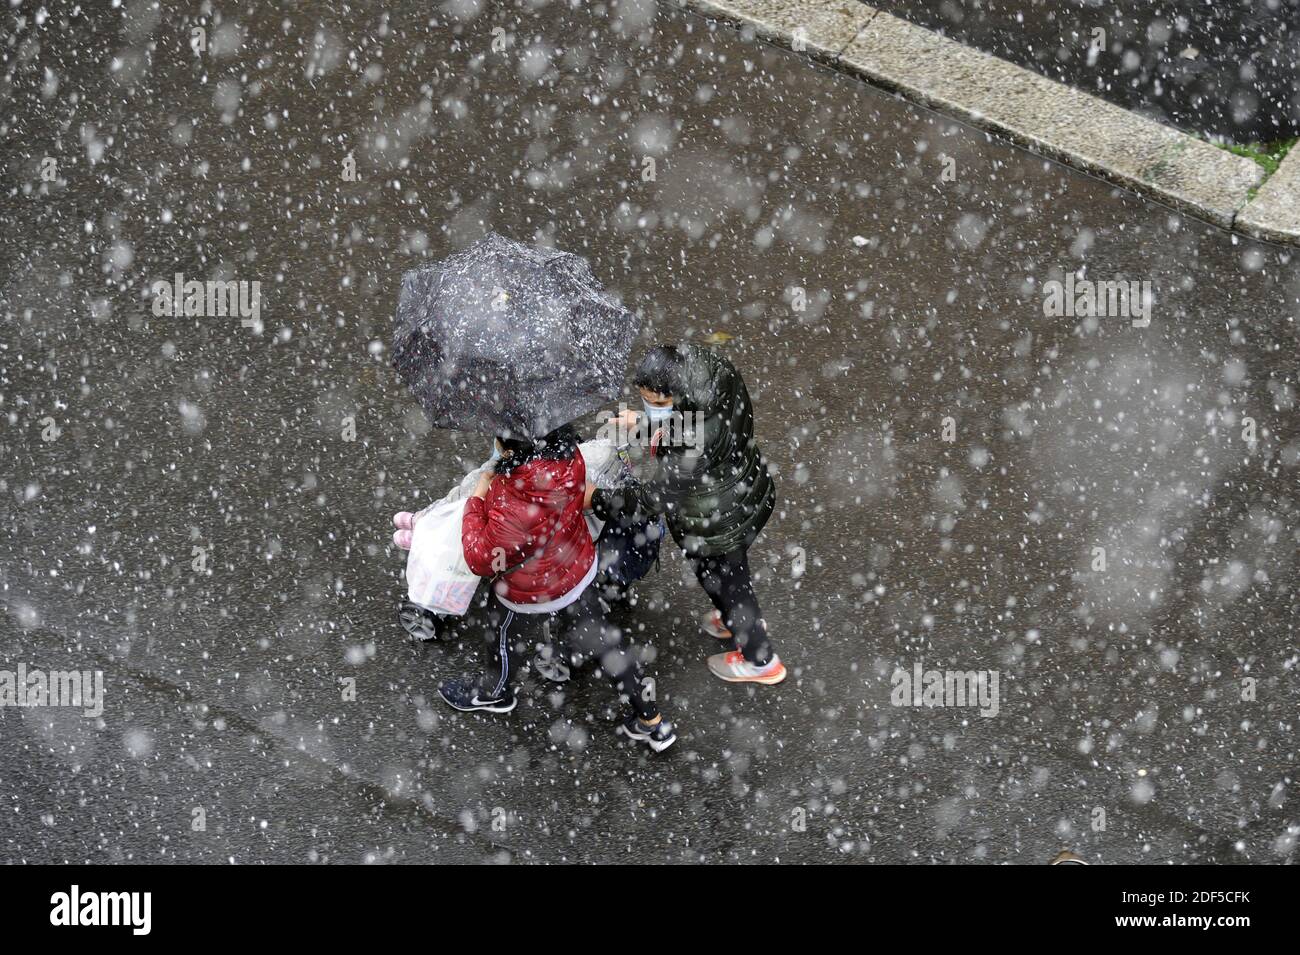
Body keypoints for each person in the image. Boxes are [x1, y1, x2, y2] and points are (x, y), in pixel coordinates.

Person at [440, 422, 676, 752]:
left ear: (510, 450)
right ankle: (652, 720)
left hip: (527, 591)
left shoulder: (514, 500)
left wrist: (477, 498)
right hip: (576, 571)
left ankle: (495, 693)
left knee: (502, 634)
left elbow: (480, 557)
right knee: (606, 642)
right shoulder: (571, 459)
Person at [592, 344, 786, 685]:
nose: (650, 407)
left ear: (676, 392)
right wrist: (644, 424)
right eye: (644, 399)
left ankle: (760, 659)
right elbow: (688, 426)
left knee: (729, 585)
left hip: (717, 520)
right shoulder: (706, 373)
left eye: (658, 402)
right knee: (730, 579)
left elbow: (656, 498)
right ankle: (736, 620)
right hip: (744, 492)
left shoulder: (693, 437)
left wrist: (597, 499)